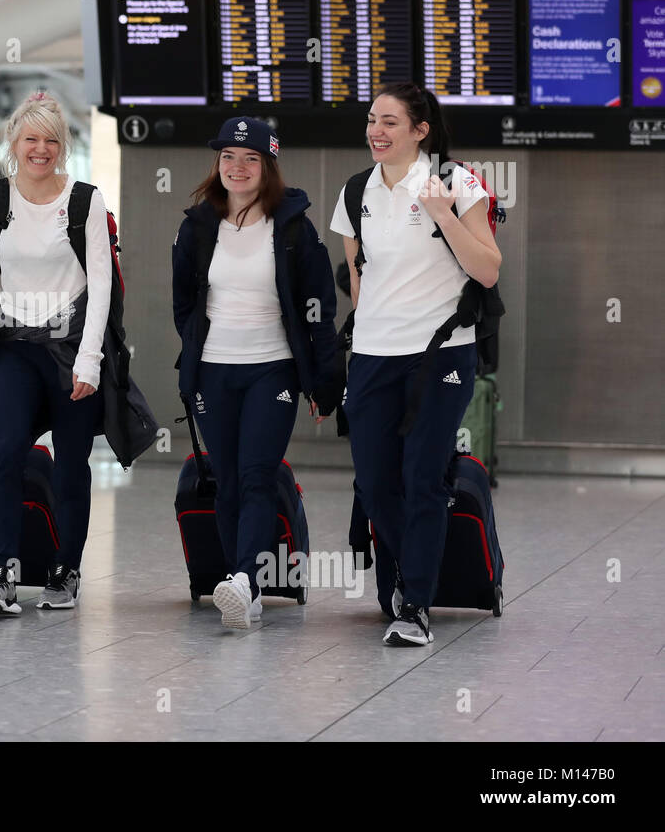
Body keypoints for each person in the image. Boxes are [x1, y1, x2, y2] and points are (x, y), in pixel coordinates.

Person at [330, 82, 501, 647]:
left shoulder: (455, 182)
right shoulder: (357, 192)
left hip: (441, 354)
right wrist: (376, 326)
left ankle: (416, 604)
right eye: (371, 120)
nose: (376, 131)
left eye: (390, 122)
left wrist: (444, 216)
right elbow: (358, 278)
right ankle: (404, 582)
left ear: (420, 130)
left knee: (422, 478)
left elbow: (489, 270)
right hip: (375, 355)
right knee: (377, 485)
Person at [171, 117, 342, 629]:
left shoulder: (293, 225)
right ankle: (241, 582)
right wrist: (198, 349)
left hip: (274, 369)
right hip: (213, 372)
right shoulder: (198, 226)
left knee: (257, 475)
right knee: (226, 481)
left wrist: (323, 376)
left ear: (267, 166)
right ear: (217, 164)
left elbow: (319, 305)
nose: (237, 167)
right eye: (227, 157)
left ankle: (245, 580)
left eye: (249, 159)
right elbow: (184, 303)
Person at [0, 92, 112, 615]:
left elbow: (102, 286)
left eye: (51, 140)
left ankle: (65, 570)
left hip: (71, 347)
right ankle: (1, 574)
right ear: (13, 143)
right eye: (31, 139)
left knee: (71, 463)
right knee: (5, 453)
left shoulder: (86, 200)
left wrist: (90, 360)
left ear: (62, 147)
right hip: (15, 346)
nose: (40, 149)